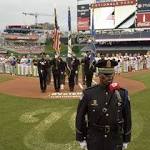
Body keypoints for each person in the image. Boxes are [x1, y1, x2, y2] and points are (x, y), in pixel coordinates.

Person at [76, 59, 132, 150]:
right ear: (99, 74)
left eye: (111, 74)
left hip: (115, 139)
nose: (109, 77)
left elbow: (127, 117)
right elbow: (80, 116)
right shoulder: (89, 94)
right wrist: (80, 138)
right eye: (106, 75)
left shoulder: (122, 94)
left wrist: (126, 139)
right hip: (95, 139)